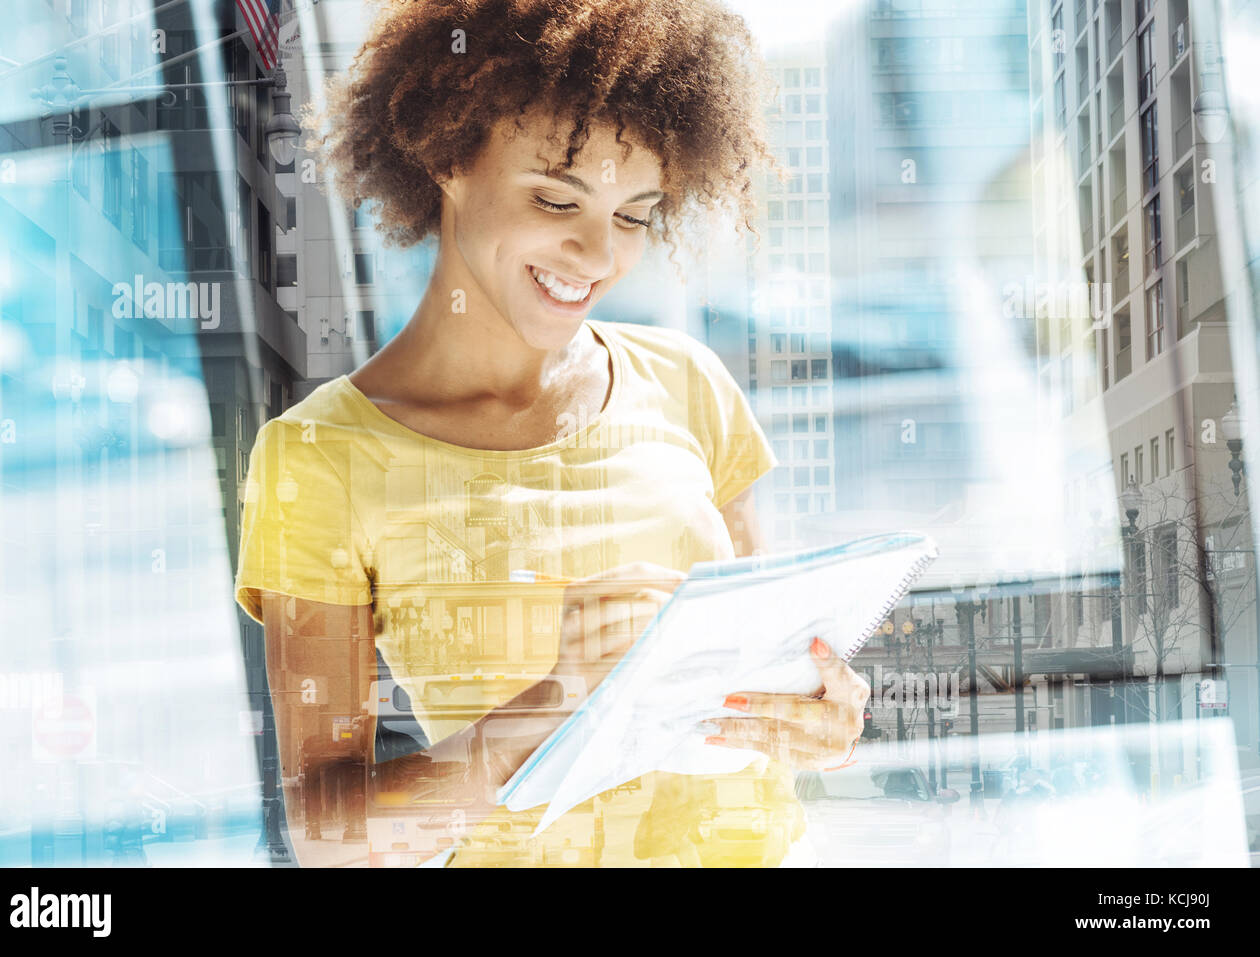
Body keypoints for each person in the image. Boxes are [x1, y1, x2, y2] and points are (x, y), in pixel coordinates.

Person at [234, 0, 870, 867]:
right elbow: (330, 833)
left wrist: (820, 714)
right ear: (448, 157)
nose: (595, 253)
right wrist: (555, 698)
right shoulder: (319, 459)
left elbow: (770, 678)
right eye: (555, 198)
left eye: (635, 214)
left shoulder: (688, 385)